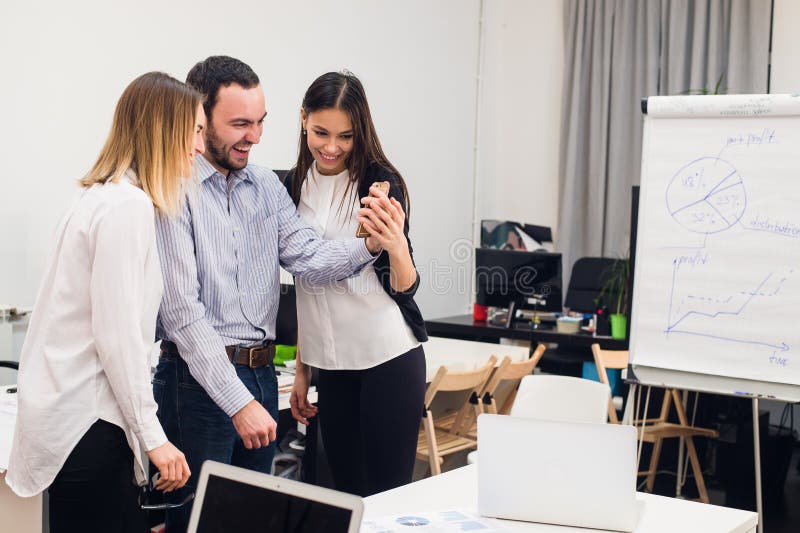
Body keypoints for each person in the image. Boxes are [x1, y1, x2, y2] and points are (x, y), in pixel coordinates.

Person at [153, 56, 382, 532]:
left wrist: (371, 243)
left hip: (259, 377)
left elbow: (309, 257)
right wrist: (237, 403)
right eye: (239, 124)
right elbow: (182, 315)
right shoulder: (174, 189)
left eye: (259, 123)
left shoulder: (265, 187)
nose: (254, 137)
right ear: (199, 117)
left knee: (253, 521)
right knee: (196, 523)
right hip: (195, 385)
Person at [7, 72, 203, 533]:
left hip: (71, 425)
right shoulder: (127, 209)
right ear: (165, 131)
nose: (198, 146)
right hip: (90, 426)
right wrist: (154, 439)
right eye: (194, 130)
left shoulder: (95, 199)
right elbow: (118, 341)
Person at [287, 71, 428, 497]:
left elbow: (405, 287)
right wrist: (301, 370)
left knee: (388, 498)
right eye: (321, 132)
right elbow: (306, 283)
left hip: (387, 357)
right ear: (303, 120)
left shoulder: (379, 183)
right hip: (330, 366)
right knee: (346, 497)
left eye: (346, 136)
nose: (331, 147)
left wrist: (395, 245)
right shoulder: (291, 186)